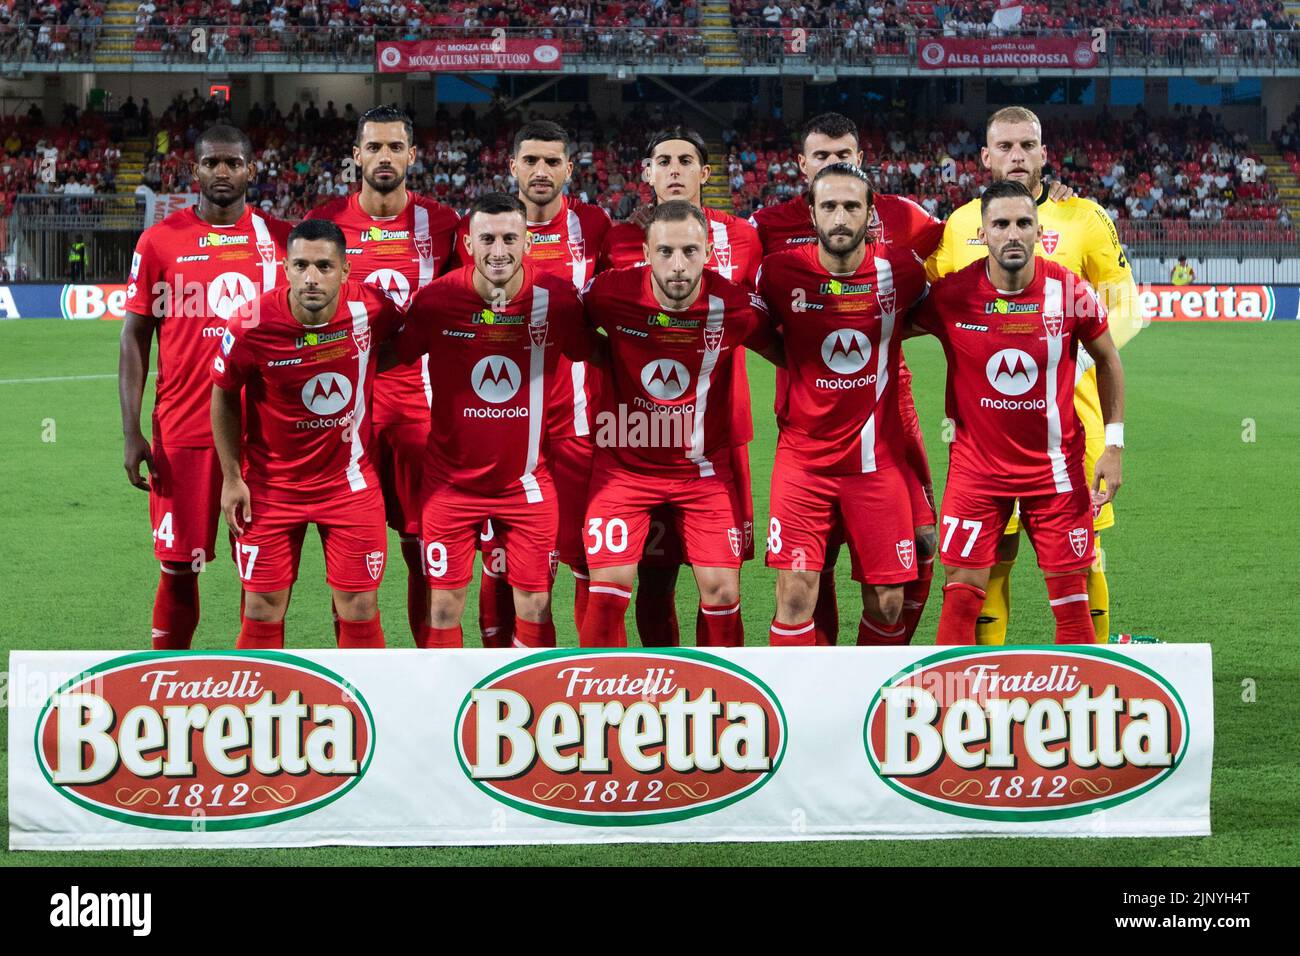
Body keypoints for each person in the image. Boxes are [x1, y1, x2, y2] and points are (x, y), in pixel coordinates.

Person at [928, 106, 1141, 645]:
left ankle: (1091, 683)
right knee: (991, 558)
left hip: (1073, 424)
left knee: (1082, 561)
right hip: (986, 434)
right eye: (1005, 146)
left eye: (1028, 145)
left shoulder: (1086, 218)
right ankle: (986, 681)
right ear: (985, 157)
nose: (1017, 156)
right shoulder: (957, 227)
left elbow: (1126, 309)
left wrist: (1069, 357)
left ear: (1045, 154)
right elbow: (937, 304)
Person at [580, 200, 783, 647]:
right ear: (647, 253)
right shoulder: (609, 293)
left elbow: (787, 351)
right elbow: (568, 329)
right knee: (610, 592)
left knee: (723, 592)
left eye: (690, 251)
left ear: (708, 251)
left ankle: (727, 700)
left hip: (702, 473)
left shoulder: (735, 307)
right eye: (666, 252)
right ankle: (597, 697)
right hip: (623, 468)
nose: (678, 265)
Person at [119, 124, 290, 650]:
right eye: (212, 162)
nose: (222, 172)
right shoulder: (159, 241)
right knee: (178, 568)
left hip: (262, 439)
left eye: (232, 163)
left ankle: (257, 689)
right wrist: (130, 431)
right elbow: (134, 336)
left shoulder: (281, 241)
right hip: (184, 433)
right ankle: (164, 678)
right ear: (194, 170)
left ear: (250, 170)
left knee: (260, 578)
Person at [399, 193, 589, 649]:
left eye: (509, 238)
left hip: (525, 483)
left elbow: (595, 352)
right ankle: (447, 707)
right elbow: (379, 357)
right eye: (487, 238)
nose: (498, 250)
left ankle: (528, 705)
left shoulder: (556, 299)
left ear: (527, 241)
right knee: (444, 607)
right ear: (468, 242)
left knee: (535, 604)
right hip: (450, 485)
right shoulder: (437, 301)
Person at [451, 120, 611, 644]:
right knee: (502, 553)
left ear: (569, 168)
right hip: (498, 419)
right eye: (531, 161)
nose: (541, 171)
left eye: (552, 161)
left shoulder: (594, 226)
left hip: (573, 421)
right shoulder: (473, 231)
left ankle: (587, 672)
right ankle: (501, 665)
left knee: (584, 552)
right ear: (513, 165)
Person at [211, 219, 404, 649]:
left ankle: (362, 709)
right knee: (262, 607)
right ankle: (257, 712)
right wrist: (231, 478)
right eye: (300, 265)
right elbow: (223, 395)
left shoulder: (372, 309)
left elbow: (399, 344)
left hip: (348, 484)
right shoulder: (250, 324)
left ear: (346, 270)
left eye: (324, 266)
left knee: (358, 606)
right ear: (285, 268)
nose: (312, 278)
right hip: (270, 487)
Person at [758, 163, 929, 646]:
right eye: (828, 206)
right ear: (811, 213)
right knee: (795, 594)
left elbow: (944, 316)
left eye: (851, 206)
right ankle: (795, 706)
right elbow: (748, 327)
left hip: (876, 464)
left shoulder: (901, 271)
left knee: (890, 598)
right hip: (802, 465)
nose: (839, 217)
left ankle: (865, 703)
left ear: (870, 214)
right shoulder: (778, 272)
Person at [306, 105, 460, 643]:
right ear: (357, 156)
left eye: (396, 146)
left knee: (423, 546)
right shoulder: (325, 223)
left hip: (419, 405)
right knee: (345, 548)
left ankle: (428, 669)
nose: (385, 156)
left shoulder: (443, 225)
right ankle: (355, 671)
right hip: (341, 408)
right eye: (374, 147)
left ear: (412, 155)